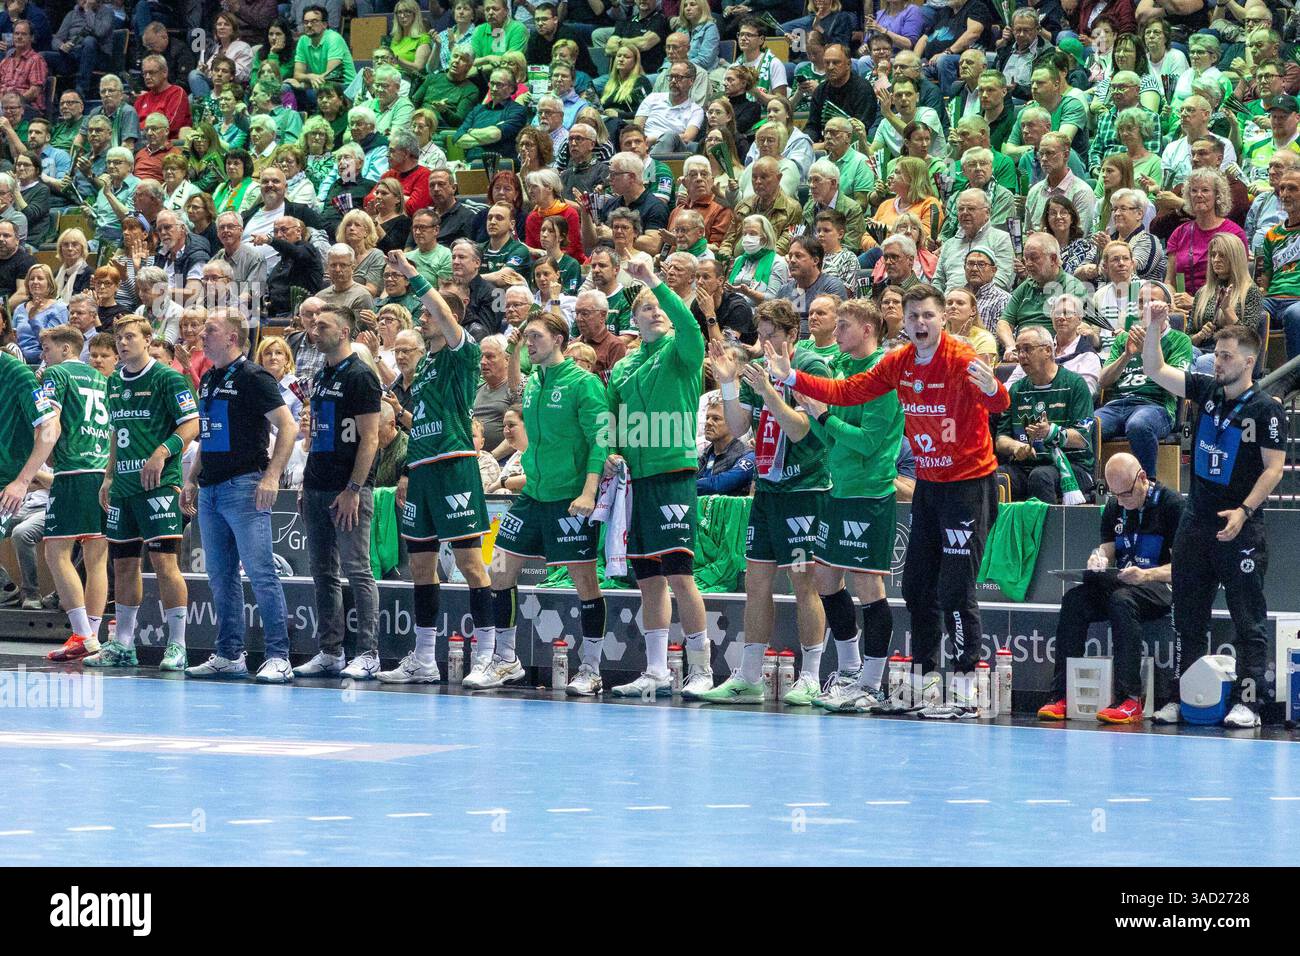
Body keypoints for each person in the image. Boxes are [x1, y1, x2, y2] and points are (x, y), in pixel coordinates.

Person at [767, 283, 1009, 717]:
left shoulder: (962, 357)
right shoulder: (898, 363)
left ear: (943, 320)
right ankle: (925, 681)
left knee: (955, 590)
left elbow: (1000, 402)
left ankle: (966, 688)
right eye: (913, 316)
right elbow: (847, 392)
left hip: (969, 485)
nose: (919, 323)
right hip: (931, 488)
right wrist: (790, 377)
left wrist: (993, 387)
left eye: (928, 316)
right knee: (917, 587)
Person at [1139, 311, 1285, 730]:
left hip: (1240, 525)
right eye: (1216, 354)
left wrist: (1244, 511)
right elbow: (1154, 368)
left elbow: (1273, 469)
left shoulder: (1264, 410)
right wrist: (1154, 326)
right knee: (1187, 617)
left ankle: (1250, 702)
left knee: (1248, 618)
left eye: (1224, 356)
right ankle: (1183, 696)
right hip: (1196, 523)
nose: (1216, 362)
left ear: (1248, 362)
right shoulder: (1205, 391)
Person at [698, 299, 830, 705]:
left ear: (792, 335)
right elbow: (739, 427)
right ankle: (751, 676)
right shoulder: (757, 369)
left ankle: (809, 675)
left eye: (774, 335)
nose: (766, 343)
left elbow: (799, 429)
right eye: (762, 335)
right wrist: (729, 385)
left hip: (805, 489)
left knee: (803, 582)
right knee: (756, 582)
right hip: (768, 489)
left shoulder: (813, 367)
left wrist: (771, 388)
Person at [780, 298, 902, 712]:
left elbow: (868, 442)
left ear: (867, 329)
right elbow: (830, 438)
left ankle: (871, 683)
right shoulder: (842, 372)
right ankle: (848, 672)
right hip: (838, 489)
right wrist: (814, 411)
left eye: (844, 325)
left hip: (869, 493)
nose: (837, 332)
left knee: (868, 586)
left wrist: (826, 417)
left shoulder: (882, 377)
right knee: (826, 580)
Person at [602, 258, 711, 698]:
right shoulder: (625, 367)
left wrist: (654, 283)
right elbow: (609, 416)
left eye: (660, 307)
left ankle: (701, 669)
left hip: (673, 473)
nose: (656, 312)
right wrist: (610, 448)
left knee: (680, 573)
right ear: (633, 318)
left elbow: (690, 326)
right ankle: (656, 670)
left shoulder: (682, 351)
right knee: (647, 576)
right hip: (636, 481)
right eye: (646, 307)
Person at [489, 310, 609, 696]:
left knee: (585, 582)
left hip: (568, 499)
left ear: (558, 339)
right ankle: (506, 660)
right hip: (532, 496)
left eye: (536, 336)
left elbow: (600, 440)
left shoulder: (584, 383)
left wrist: (589, 491)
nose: (529, 343)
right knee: (499, 569)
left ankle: (591, 668)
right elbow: (513, 387)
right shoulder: (535, 382)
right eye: (526, 337)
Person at [179, 307, 295, 681]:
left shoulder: (253, 376)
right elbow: (207, 434)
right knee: (220, 574)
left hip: (245, 486)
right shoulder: (210, 378)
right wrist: (192, 478)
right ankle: (229, 653)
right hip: (211, 488)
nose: (201, 334)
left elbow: (288, 426)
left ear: (231, 337)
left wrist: (271, 476)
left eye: (210, 329)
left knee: (261, 573)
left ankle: (279, 656)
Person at [1035, 448, 1181, 723]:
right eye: (1114, 494)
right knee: (1075, 599)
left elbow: (1184, 569)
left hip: (1159, 586)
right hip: (1123, 582)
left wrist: (1147, 576)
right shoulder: (1115, 506)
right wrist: (1098, 558)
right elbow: (1108, 548)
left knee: (1122, 600)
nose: (1120, 501)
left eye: (1125, 494)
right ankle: (1060, 695)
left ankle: (1129, 699)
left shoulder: (1171, 505)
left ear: (1142, 478)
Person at [86, 316, 199, 671]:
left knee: (165, 563)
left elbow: (192, 423)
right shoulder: (114, 382)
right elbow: (116, 433)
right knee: (122, 566)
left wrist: (162, 453)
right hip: (122, 487)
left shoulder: (167, 378)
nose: (122, 343)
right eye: (118, 337)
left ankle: (177, 644)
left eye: (130, 336)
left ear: (149, 340)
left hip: (159, 486)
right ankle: (123, 645)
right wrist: (107, 477)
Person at [294, 304, 382, 680]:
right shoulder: (321, 373)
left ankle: (368, 652)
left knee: (358, 570)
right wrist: (305, 482)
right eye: (313, 323)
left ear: (344, 332)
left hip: (348, 489)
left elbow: (371, 439)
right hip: (316, 483)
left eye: (323, 324)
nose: (315, 329)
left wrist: (354, 489)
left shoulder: (361, 375)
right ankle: (330, 651)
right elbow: (317, 433)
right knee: (322, 572)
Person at [38, 324, 109, 661]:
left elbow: (51, 424)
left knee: (56, 553)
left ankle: (83, 634)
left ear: (66, 350)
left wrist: (43, 459)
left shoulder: (56, 375)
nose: (43, 355)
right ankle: (90, 635)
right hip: (104, 472)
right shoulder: (103, 379)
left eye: (47, 348)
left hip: (74, 471)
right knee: (97, 557)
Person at [1097, 282, 1193, 477]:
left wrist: (1149, 351)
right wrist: (1126, 356)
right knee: (1089, 425)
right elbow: (1103, 381)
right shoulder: (1124, 339)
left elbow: (1176, 385)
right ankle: (1088, 485)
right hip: (1117, 405)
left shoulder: (1180, 340)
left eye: (1153, 302)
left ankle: (1148, 485)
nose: (1146, 308)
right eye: (1142, 303)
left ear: (1168, 308)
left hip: (1155, 405)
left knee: (1138, 424)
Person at [995, 323, 1096, 505]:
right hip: (1026, 465)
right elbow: (1001, 439)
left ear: (1048, 351)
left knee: (1040, 477)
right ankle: (1000, 533)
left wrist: (1052, 432)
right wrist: (1015, 447)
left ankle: (1046, 534)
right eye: (1018, 350)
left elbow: (1083, 437)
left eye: (1028, 349)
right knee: (996, 477)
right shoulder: (1017, 390)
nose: (1022, 356)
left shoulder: (1075, 385)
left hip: (1071, 466)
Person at [696, 397, 754, 496]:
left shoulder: (748, 457)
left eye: (716, 418)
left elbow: (719, 485)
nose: (708, 422)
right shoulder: (705, 455)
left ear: (733, 423)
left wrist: (685, 486)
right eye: (707, 418)